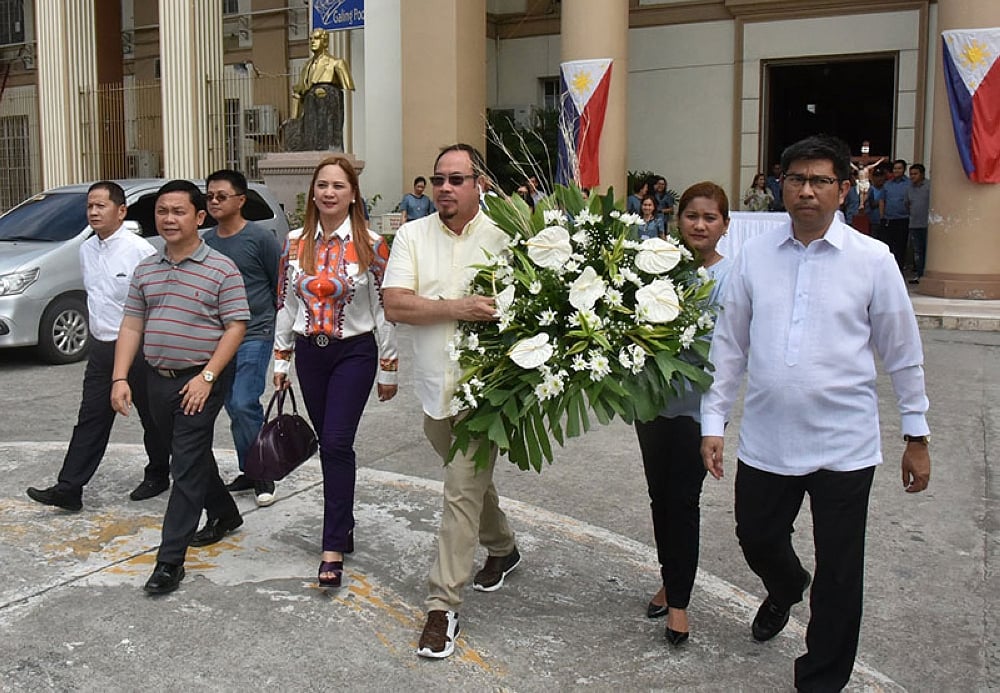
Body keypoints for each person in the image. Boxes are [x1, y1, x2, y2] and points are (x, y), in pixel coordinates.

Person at [700, 135, 931, 692]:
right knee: (756, 536)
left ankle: (821, 680)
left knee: (841, 571)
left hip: (844, 445)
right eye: (797, 179)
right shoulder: (753, 257)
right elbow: (729, 347)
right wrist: (714, 422)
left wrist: (916, 432)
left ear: (844, 190)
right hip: (767, 440)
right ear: (781, 186)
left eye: (820, 181)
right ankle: (784, 585)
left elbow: (903, 352)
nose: (806, 190)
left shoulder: (873, 261)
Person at [383, 143, 520, 660]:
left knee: (460, 490)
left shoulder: (507, 238)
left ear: (478, 183)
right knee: (470, 485)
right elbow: (396, 303)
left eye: (456, 179)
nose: (444, 187)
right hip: (435, 389)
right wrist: (457, 307)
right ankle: (504, 548)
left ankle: (442, 607)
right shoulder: (413, 236)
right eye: (438, 178)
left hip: (489, 391)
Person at [111, 180, 250, 595]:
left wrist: (207, 377)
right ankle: (225, 513)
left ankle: (169, 561)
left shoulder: (221, 268)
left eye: (179, 212)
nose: (169, 219)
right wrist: (119, 377)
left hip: (200, 379)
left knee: (184, 464)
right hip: (156, 379)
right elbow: (132, 324)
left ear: (199, 217)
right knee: (187, 454)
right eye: (162, 212)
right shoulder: (147, 269)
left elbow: (236, 325)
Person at [272, 155, 398, 588]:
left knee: (338, 443)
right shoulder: (294, 243)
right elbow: (286, 305)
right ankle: (343, 525)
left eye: (338, 186)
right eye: (322, 185)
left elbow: (384, 308)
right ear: (312, 192)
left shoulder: (371, 243)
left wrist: (388, 367)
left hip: (354, 354)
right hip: (310, 353)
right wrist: (281, 358)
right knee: (328, 442)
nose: (329, 193)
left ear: (352, 194)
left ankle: (331, 546)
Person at [26, 182, 169, 512]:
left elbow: (153, 303)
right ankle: (70, 487)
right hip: (102, 347)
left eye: (101, 206)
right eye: (90, 206)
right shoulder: (86, 250)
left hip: (139, 347)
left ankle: (159, 472)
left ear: (121, 211)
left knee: (154, 417)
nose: (93, 211)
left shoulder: (140, 251)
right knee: (91, 416)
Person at [637, 181, 733, 647]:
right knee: (660, 498)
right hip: (652, 404)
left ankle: (679, 602)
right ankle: (670, 579)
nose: (699, 225)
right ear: (679, 221)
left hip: (701, 411)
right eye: (692, 216)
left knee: (684, 500)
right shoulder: (658, 271)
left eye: (710, 218)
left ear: (725, 226)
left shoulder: (731, 278)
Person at [202, 169, 283, 510]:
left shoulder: (260, 239)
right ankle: (250, 468)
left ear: (241, 200)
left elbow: (277, 284)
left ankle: (264, 472)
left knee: (242, 402)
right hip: (219, 338)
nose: (214, 202)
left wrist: (280, 334)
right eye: (209, 197)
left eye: (221, 196)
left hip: (255, 331)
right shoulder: (206, 242)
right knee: (231, 407)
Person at [287, 28, 355, 152]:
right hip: (309, 116)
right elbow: (299, 93)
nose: (312, 41)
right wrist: (293, 122)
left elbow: (343, 88)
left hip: (326, 120)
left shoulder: (336, 64)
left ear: (325, 41)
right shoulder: (307, 66)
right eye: (311, 38)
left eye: (316, 38)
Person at [879, 158, 911, 271]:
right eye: (895, 168)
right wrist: (882, 216)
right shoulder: (887, 185)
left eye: (899, 168)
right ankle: (888, 269)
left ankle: (899, 268)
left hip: (903, 219)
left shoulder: (909, 184)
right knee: (888, 246)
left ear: (904, 169)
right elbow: (882, 200)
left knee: (901, 246)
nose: (897, 170)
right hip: (889, 219)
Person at [906, 163, 930, 284]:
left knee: (927, 251)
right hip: (914, 224)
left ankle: (926, 275)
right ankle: (919, 275)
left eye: (915, 174)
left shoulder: (929, 186)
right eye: (911, 174)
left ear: (922, 174)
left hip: (927, 225)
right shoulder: (909, 188)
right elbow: (907, 204)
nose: (912, 176)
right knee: (917, 251)